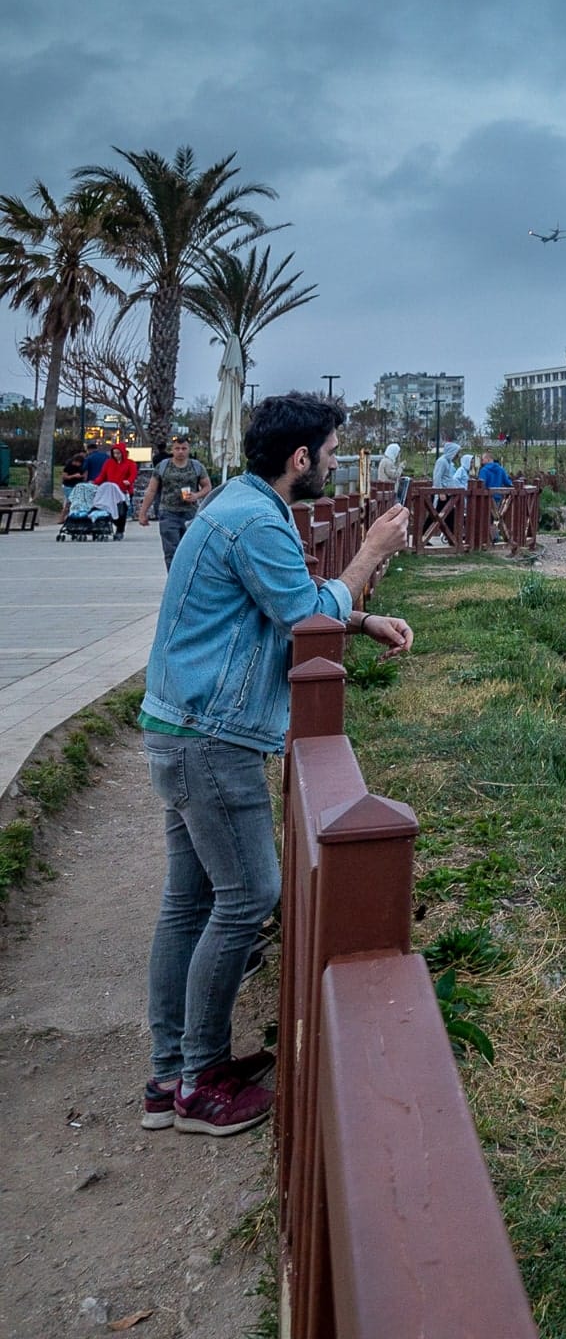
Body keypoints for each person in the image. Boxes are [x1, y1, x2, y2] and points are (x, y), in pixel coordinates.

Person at [139, 393, 413, 1137]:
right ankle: (198, 1082)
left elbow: (282, 601)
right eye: (328, 452)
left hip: (180, 722)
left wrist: (358, 618)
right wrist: (371, 554)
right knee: (250, 894)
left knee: (190, 900)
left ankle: (173, 1075)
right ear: (301, 459)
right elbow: (298, 615)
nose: (331, 462)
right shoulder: (259, 519)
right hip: (210, 739)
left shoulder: (238, 503)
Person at [135, 437, 214, 568]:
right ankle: (173, 582)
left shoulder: (196, 467)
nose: (180, 452)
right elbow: (151, 490)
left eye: (184, 448)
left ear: (189, 449)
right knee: (171, 551)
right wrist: (143, 513)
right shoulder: (163, 466)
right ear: (172, 450)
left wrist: (196, 495)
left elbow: (207, 487)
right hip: (168, 513)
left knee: (190, 550)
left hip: (190, 514)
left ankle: (187, 581)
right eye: (177, 448)